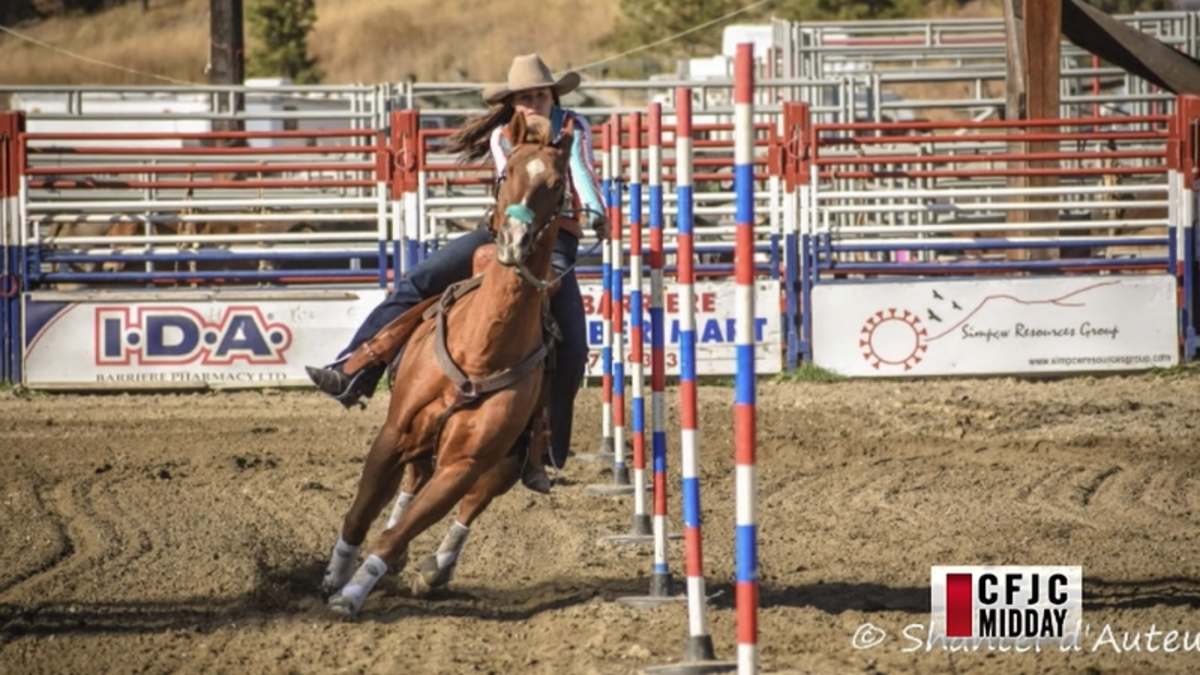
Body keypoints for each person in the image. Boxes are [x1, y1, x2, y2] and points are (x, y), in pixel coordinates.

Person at [305, 53, 608, 494]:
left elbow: (581, 170)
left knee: (574, 346)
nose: (534, 103)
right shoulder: (504, 137)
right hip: (503, 232)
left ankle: (543, 448)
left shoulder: (572, 127)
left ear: (551, 95)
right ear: (514, 102)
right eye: (526, 97)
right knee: (420, 280)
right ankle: (355, 369)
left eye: (541, 94)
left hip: (555, 240)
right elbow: (518, 187)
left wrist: (596, 209)